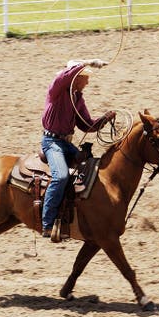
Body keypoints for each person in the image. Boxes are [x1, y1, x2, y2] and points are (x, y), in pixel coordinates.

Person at [41, 59, 115, 239]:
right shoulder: (57, 89)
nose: (88, 82)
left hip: (66, 143)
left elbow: (87, 125)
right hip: (52, 143)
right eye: (86, 78)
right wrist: (89, 62)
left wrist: (104, 119)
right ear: (76, 77)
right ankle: (47, 223)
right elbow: (65, 75)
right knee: (61, 176)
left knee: (91, 171)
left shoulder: (77, 98)